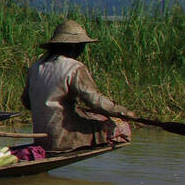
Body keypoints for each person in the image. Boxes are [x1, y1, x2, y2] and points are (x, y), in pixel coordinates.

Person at [22, 20, 137, 152]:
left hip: (41, 139)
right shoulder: (74, 68)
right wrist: (123, 112)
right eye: (82, 45)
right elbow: (95, 102)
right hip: (64, 138)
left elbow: (27, 103)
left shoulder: (35, 67)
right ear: (73, 46)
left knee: (92, 116)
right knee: (118, 125)